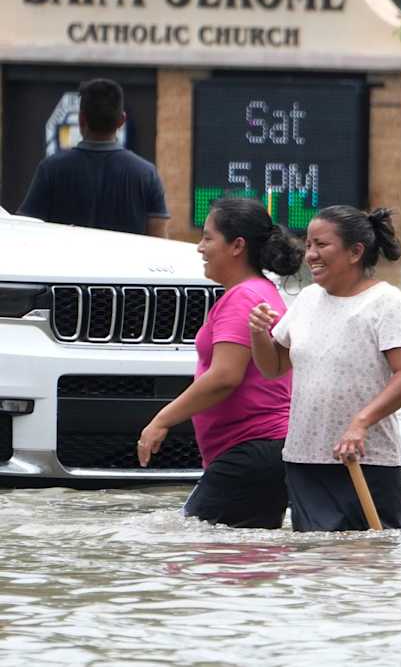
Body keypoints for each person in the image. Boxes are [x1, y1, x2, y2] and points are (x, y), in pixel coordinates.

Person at [248, 205, 401, 532]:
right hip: (304, 457)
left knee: (368, 563)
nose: (310, 254)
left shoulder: (387, 304)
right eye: (309, 244)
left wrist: (360, 423)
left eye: (321, 245)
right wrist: (258, 333)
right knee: (314, 563)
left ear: (355, 252)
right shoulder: (307, 299)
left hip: (365, 458)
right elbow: (273, 367)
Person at [136, 198, 302, 528]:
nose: (199, 248)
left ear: (237, 245)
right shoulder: (261, 291)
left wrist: (161, 420)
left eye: (208, 238)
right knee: (242, 561)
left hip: (252, 450)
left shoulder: (244, 297)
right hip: (262, 451)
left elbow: (225, 376)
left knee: (185, 544)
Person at [19, 78, 169, 237]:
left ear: (81, 119)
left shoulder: (50, 170)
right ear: (121, 120)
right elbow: (159, 241)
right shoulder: (147, 175)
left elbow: (26, 230)